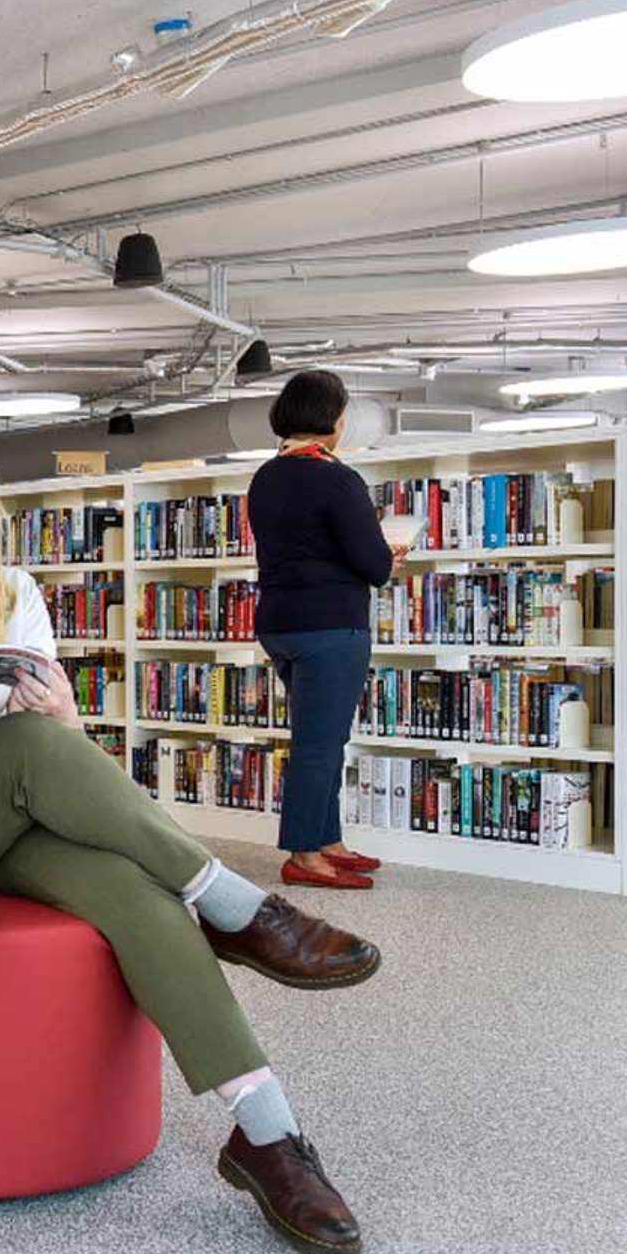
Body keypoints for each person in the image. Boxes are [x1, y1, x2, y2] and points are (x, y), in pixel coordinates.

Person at [0, 412, 383, 1254]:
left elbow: (57, 743)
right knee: (26, 748)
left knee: (134, 893)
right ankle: (239, 907)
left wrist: (58, 711)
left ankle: (268, 1134)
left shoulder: (13, 592)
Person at [246, 369, 404, 890]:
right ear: (334, 420)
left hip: (280, 623)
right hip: (331, 625)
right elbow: (372, 564)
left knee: (321, 736)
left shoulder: (266, 477)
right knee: (320, 743)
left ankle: (327, 840)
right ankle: (304, 855)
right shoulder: (338, 478)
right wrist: (389, 556)